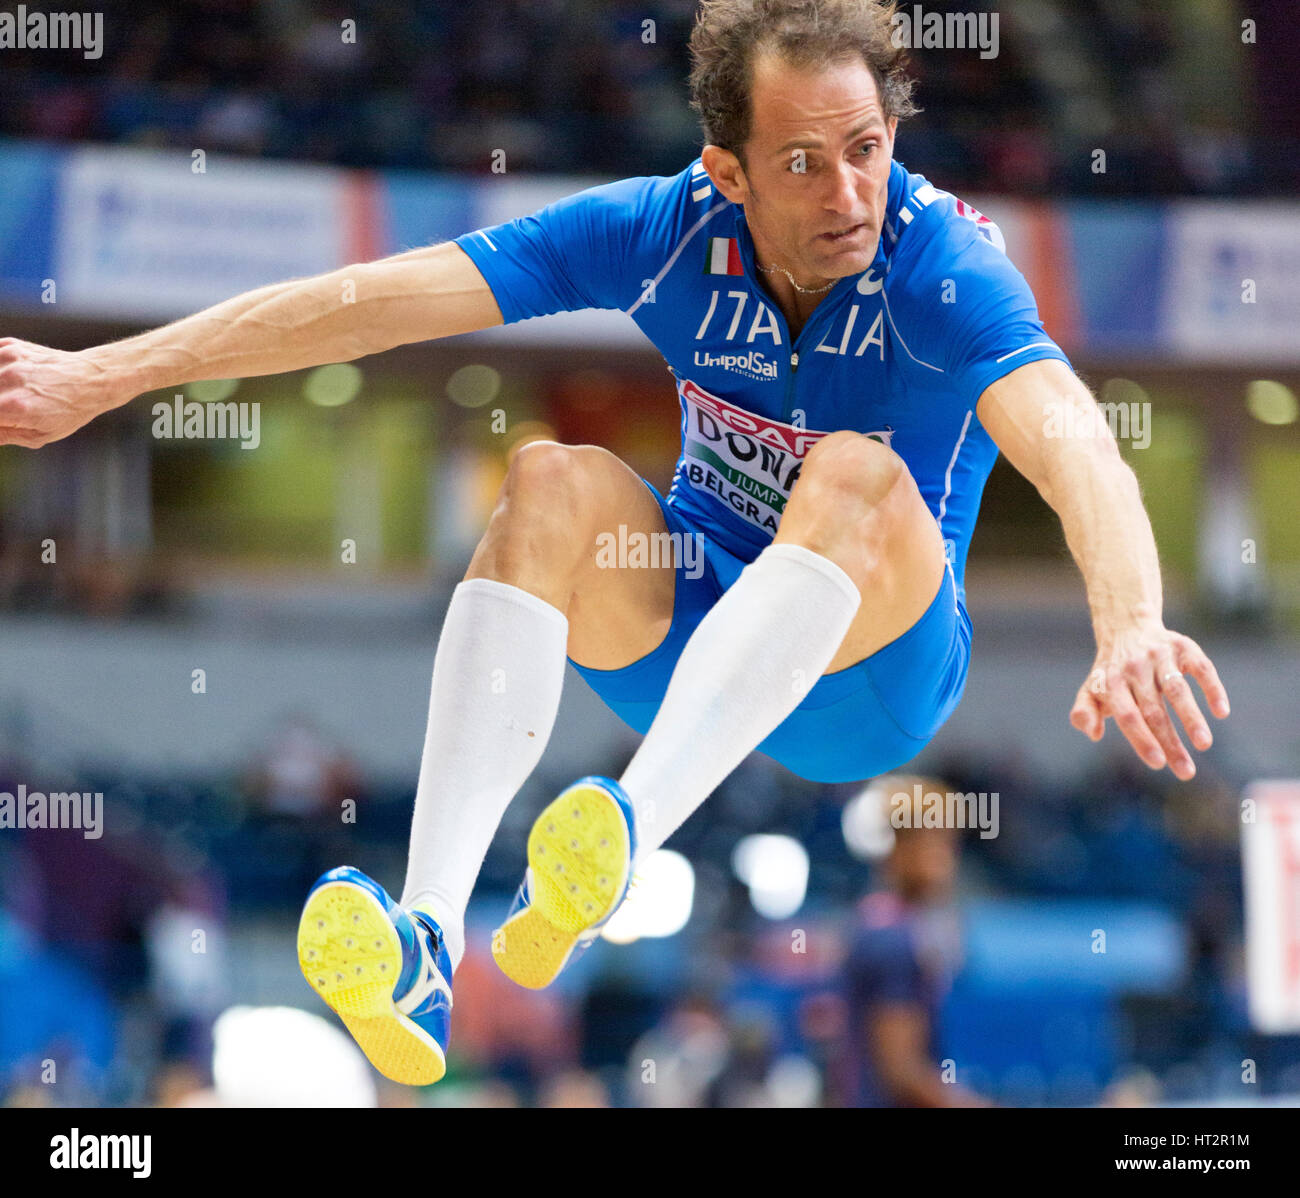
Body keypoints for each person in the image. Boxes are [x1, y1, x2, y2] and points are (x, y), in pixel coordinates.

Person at [0, 0, 1231, 1087]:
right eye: (803, 162)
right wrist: (107, 374)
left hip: (871, 672)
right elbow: (368, 303)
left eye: (867, 150)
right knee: (547, 481)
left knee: (855, 474)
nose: (849, 193)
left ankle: (622, 838)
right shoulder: (662, 230)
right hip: (689, 626)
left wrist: (1126, 618)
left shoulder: (944, 265)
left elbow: (1074, 439)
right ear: (727, 170)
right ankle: (428, 934)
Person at [838, 775, 985, 1107]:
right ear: (896, 849)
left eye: (950, 842)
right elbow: (901, 1071)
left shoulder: (897, 926)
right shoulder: (891, 940)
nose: (945, 857)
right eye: (932, 839)